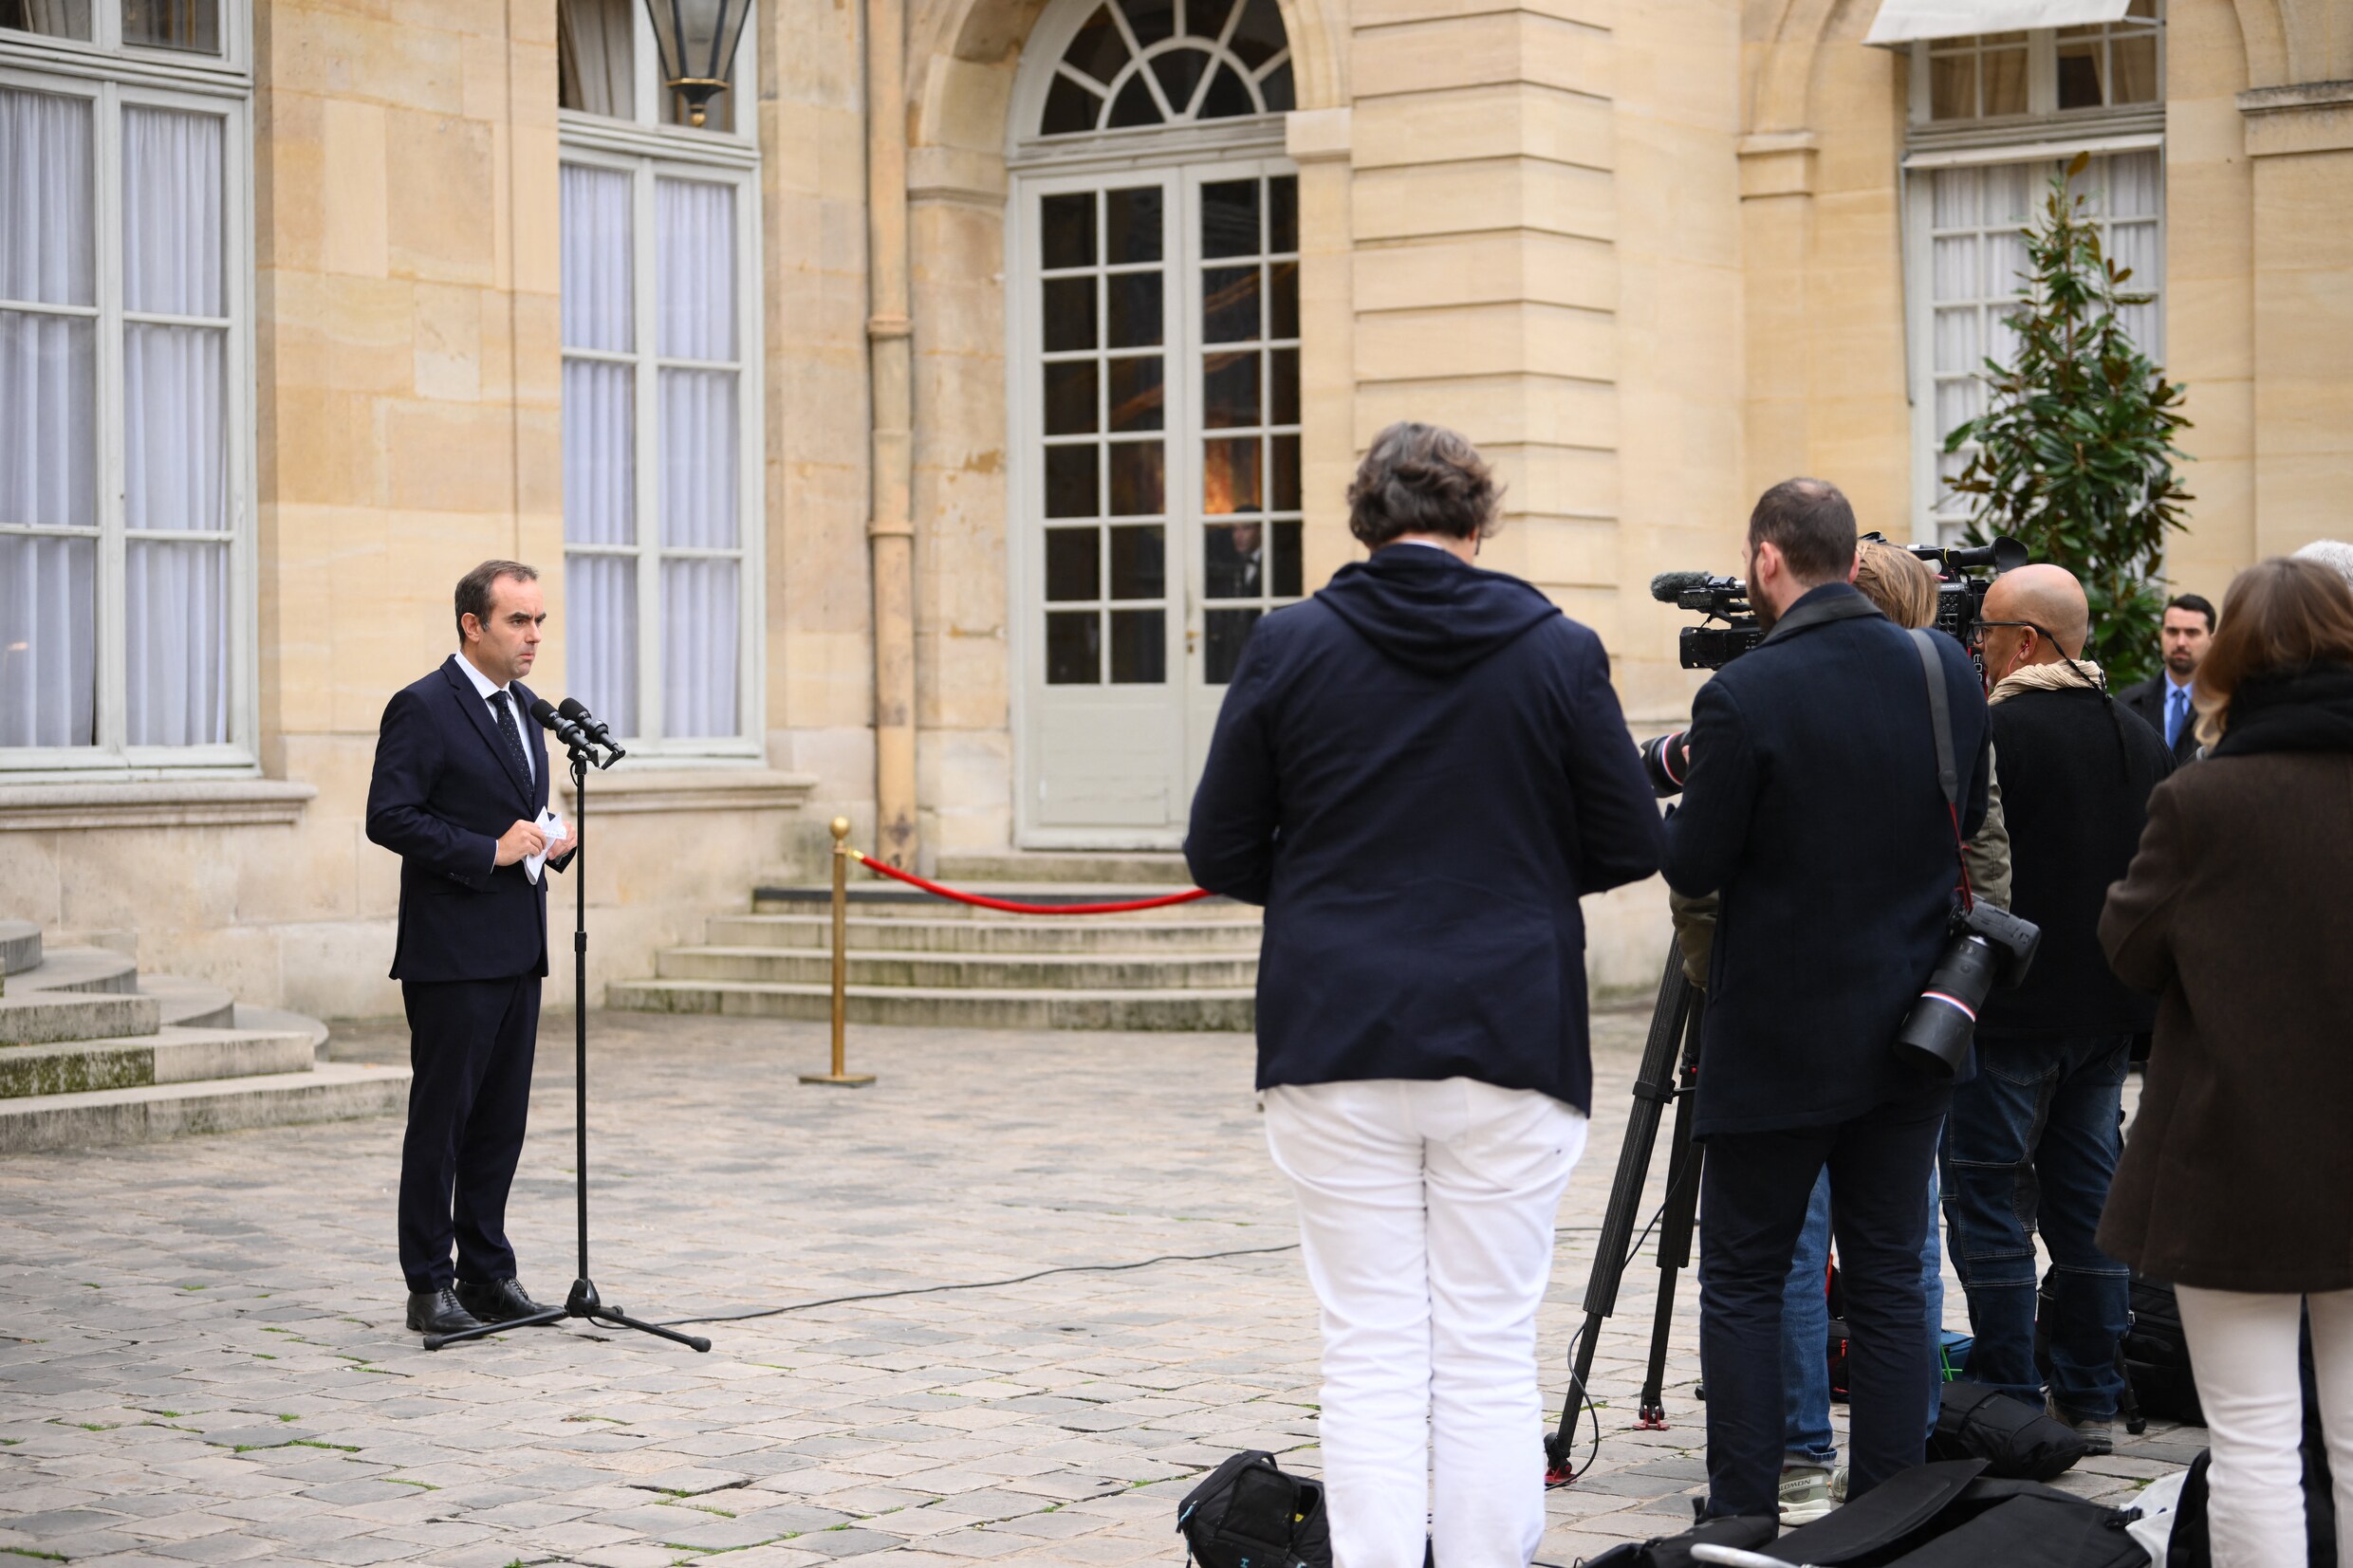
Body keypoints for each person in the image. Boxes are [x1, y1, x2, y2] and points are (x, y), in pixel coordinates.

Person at [1186, 421, 1661, 1568]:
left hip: (1335, 1020)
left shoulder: (1290, 645)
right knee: (1487, 1346)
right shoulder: (1557, 648)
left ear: (1362, 518)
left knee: (1369, 1347)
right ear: (1478, 523)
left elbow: (1218, 848)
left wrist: (1318, 888)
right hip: (1507, 1021)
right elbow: (1628, 836)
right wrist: (1517, 877)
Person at [1660, 479, 1992, 1525]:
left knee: (1750, 1279)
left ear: (1766, 561)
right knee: (1893, 1277)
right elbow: (1969, 813)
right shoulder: (1943, 667)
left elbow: (1696, 861)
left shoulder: (1740, 697)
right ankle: (1892, 1515)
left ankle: (1745, 1512)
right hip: (1914, 1027)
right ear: (1852, 561)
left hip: (1778, 1039)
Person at [2098, 557, 2353, 1568]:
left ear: (2233, 655)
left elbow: (2126, 947)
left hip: (2231, 1155)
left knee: (2251, 1443)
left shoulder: (2204, 802)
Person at [1937, 564, 2173, 1455]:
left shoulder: (1995, 730)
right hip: (2107, 1012)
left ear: (2027, 639)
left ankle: (2006, 1393)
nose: (1980, 646)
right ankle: (2093, 1389)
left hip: (2011, 1013)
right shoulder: (2137, 733)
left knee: (1992, 1199)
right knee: (2090, 1206)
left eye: (1989, 631)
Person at [366, 561, 578, 1339]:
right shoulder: (422, 706)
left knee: (500, 1123)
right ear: (473, 624)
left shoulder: (525, 709)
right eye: (519, 621)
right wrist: (485, 849)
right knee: (443, 1122)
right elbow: (388, 816)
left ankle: (486, 1272)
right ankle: (428, 1285)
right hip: (451, 954)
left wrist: (550, 840)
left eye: (540, 621)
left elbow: (516, 812)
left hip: (519, 947)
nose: (534, 636)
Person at [2118, 593, 2215, 767]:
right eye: (2172, 631)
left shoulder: (2225, 708)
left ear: (2211, 640)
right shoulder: (2126, 704)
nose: (2180, 642)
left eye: (2192, 632)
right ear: (2161, 635)